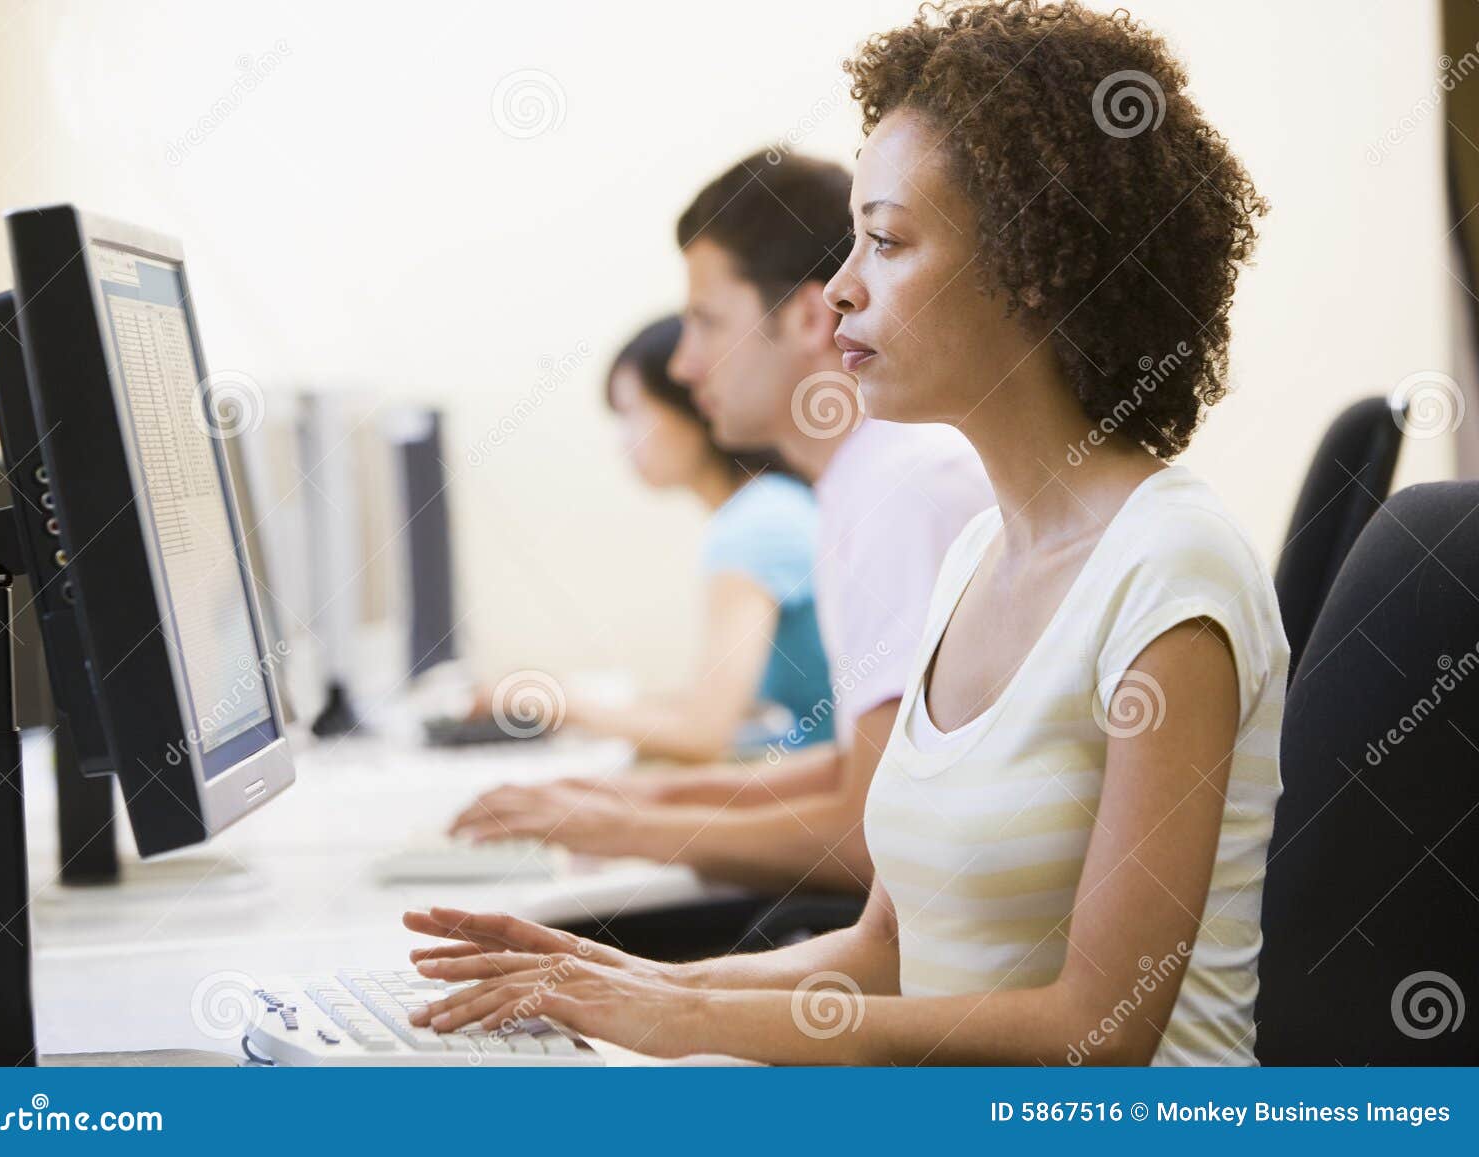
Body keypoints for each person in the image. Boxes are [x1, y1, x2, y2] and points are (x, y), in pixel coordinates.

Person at [408, 0, 1285, 1065]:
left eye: (888, 242)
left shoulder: (1170, 569)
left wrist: (683, 1017)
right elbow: (883, 950)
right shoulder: (975, 556)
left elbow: (1092, 1034)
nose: (838, 290)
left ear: (1035, 268)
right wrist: (619, 984)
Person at [450, 150, 994, 895]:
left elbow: (871, 836)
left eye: (705, 323)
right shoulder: (858, 476)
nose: (682, 366)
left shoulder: (898, 484)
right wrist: (634, 798)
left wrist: (627, 828)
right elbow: (862, 770)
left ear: (807, 317)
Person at [491, 314, 834, 761]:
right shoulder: (771, 504)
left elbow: (703, 734)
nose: (623, 443)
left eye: (633, 413)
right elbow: (725, 704)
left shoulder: (755, 526)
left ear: (695, 402)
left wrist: (560, 706)